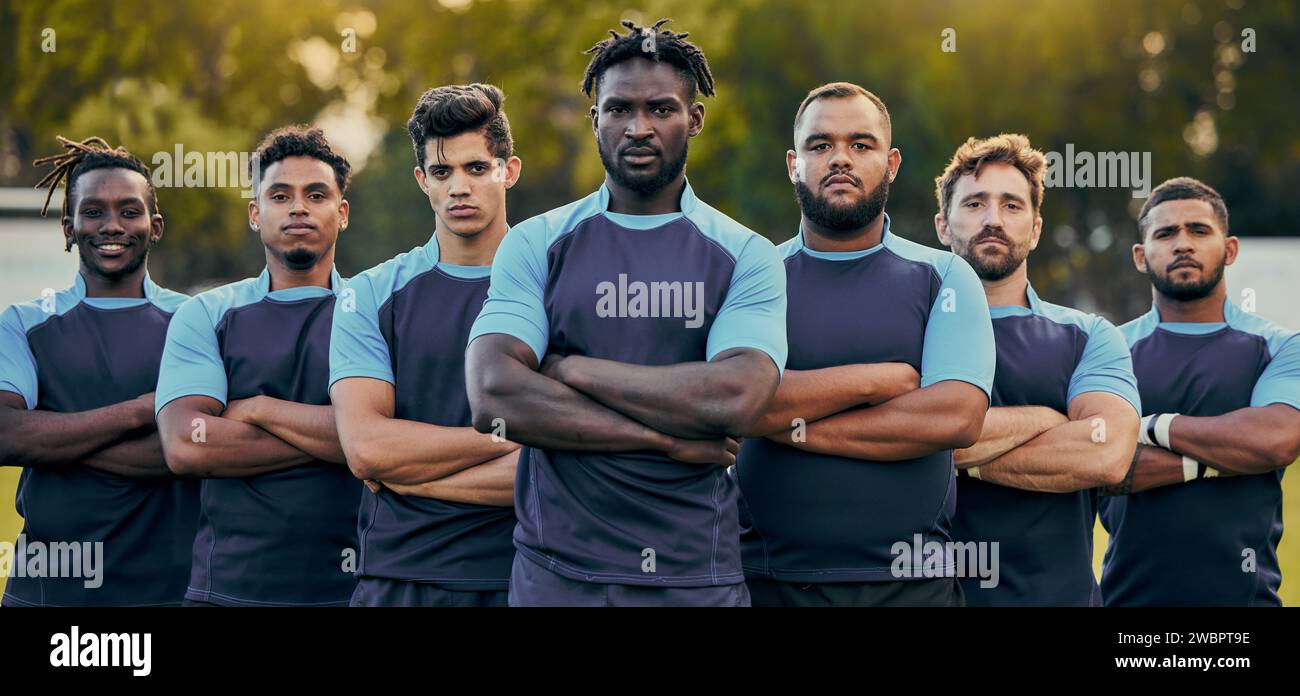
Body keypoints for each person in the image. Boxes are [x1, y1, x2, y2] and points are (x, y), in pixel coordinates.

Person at [465, 19, 786, 607]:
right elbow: (494, 397)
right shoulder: (537, 242)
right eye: (618, 109)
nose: (638, 128)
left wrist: (574, 371)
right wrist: (666, 439)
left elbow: (736, 397)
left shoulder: (745, 254)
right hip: (557, 576)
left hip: (697, 579)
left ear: (694, 119)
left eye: (660, 109)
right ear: (595, 121)